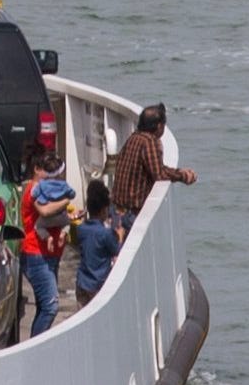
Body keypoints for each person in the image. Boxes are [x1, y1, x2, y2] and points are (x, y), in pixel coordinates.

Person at [107, 102, 195, 233]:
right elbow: (159, 174)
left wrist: (178, 171)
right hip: (130, 215)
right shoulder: (149, 142)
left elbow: (155, 168)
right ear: (159, 126)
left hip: (117, 211)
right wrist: (183, 176)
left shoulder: (133, 138)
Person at [17, 145, 69, 338]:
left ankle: (36, 342)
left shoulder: (47, 188)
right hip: (36, 254)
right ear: (37, 169)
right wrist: (66, 200)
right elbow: (45, 211)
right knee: (50, 305)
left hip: (49, 254)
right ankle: (36, 346)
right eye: (48, 173)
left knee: (43, 305)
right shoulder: (34, 189)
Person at [72, 179, 123, 305]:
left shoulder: (81, 229)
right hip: (98, 285)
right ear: (103, 210)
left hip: (82, 283)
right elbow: (117, 251)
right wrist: (120, 236)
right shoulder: (106, 233)